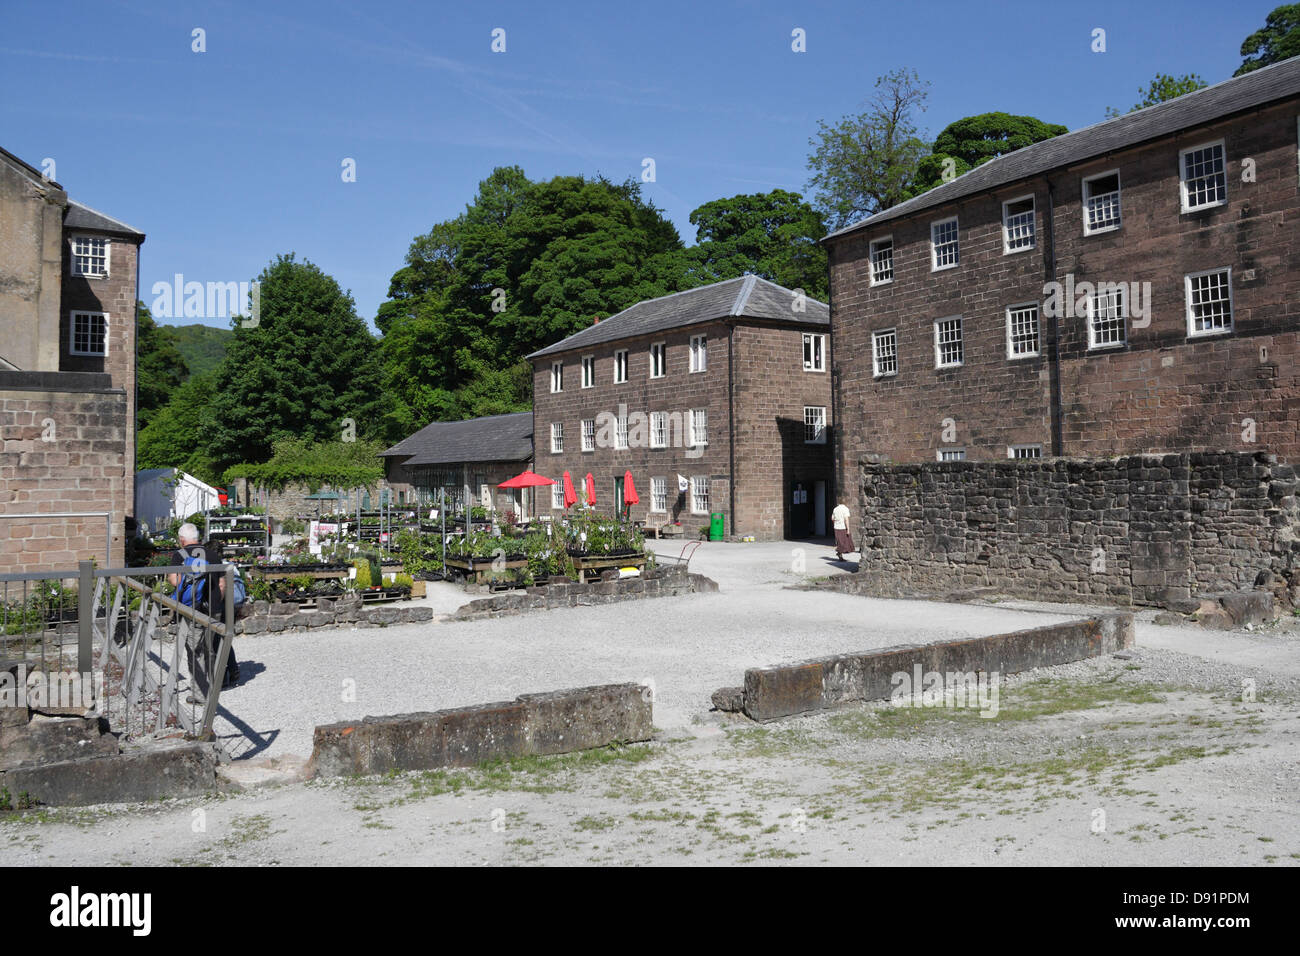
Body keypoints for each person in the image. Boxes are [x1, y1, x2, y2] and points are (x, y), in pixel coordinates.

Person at [168, 524, 240, 695]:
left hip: (190, 609)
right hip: (212, 608)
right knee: (212, 646)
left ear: (182, 539)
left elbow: (174, 582)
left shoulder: (179, 555)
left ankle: (201, 693)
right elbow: (222, 584)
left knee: (195, 650)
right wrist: (215, 602)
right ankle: (217, 682)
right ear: (198, 538)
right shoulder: (213, 555)